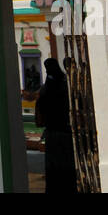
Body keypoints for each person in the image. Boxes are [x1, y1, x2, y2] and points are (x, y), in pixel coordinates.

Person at [34, 57, 76, 194]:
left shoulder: (46, 89)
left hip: (53, 135)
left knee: (54, 171)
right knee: (68, 168)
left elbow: (40, 114)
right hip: (66, 133)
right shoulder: (66, 85)